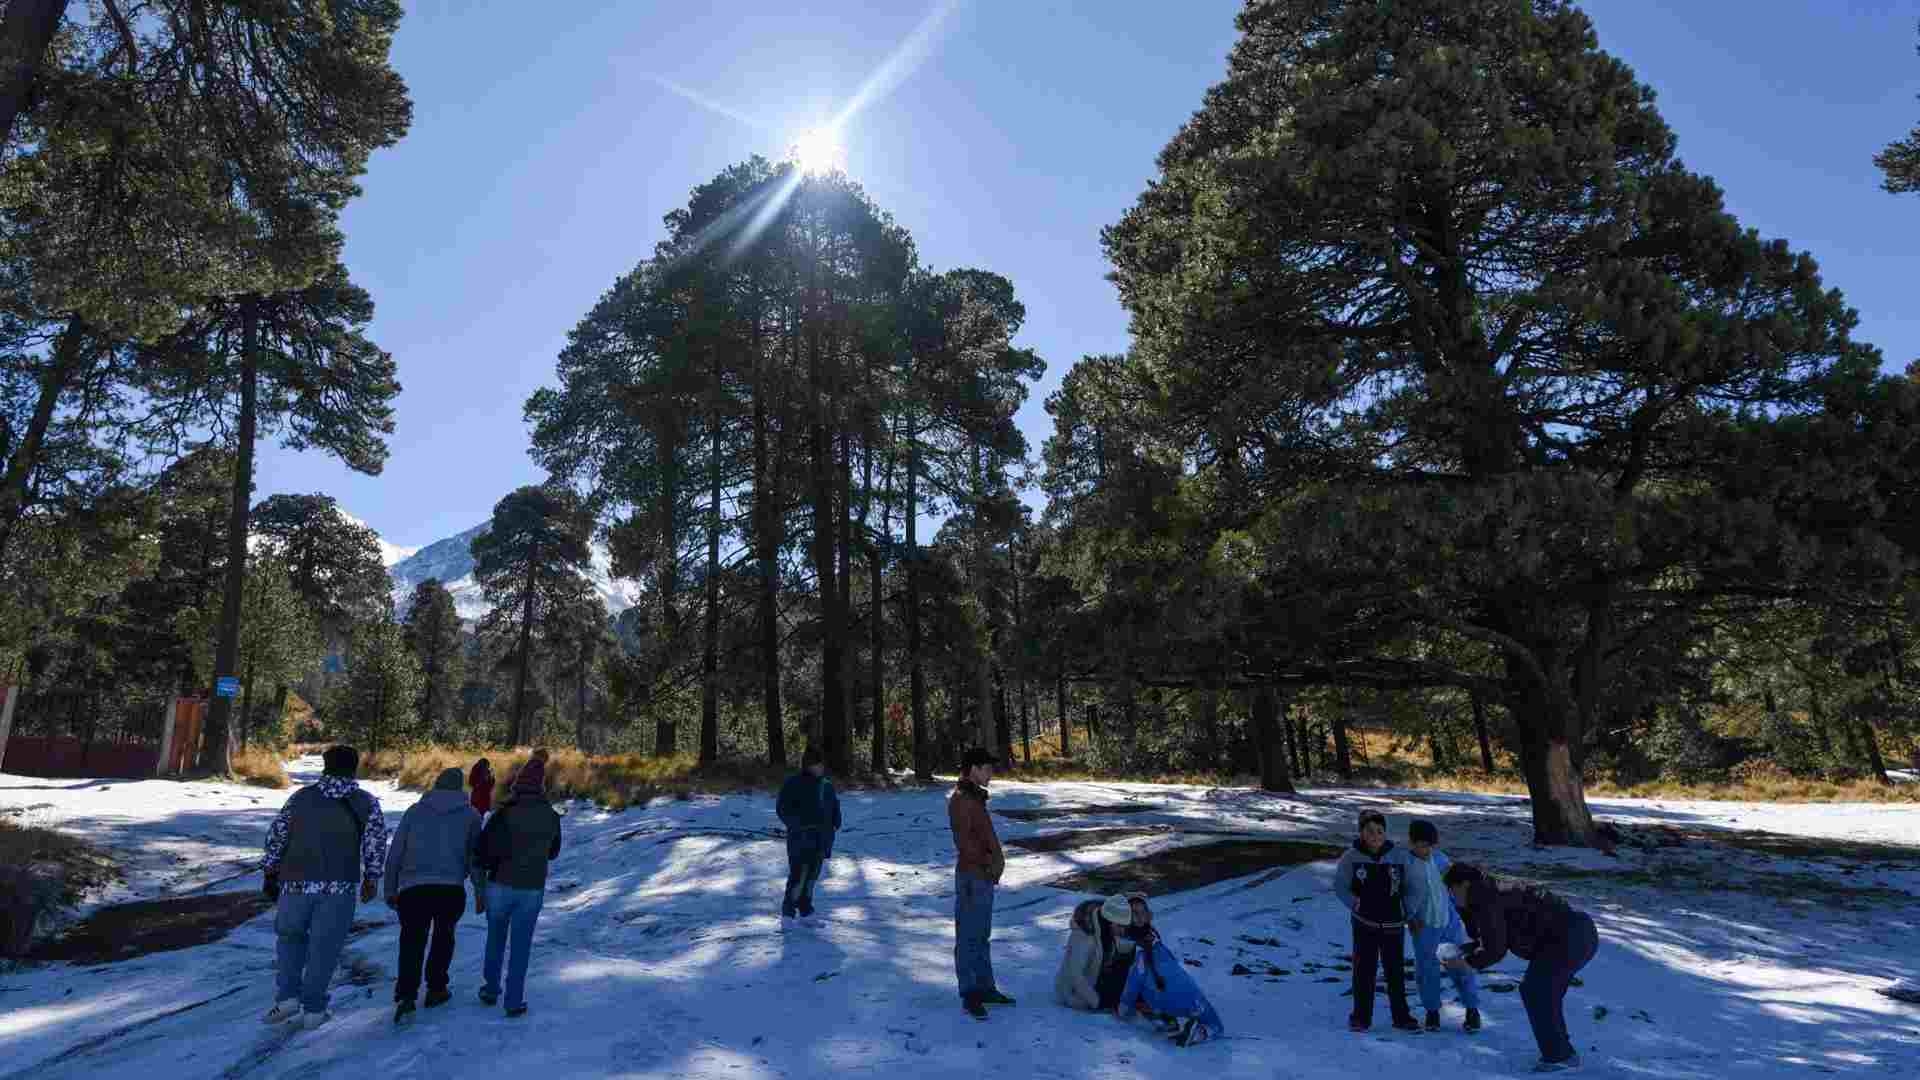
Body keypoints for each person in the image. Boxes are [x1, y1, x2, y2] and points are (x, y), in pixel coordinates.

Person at [259, 744, 387, 1030]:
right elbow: (375, 845)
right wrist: (371, 877)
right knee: (324, 947)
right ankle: (314, 1009)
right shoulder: (366, 802)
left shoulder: (300, 798)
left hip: (295, 883)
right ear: (353, 768)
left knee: (290, 939)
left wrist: (270, 871)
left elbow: (277, 837)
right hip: (338, 887)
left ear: (325, 767)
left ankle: (288, 997)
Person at [1443, 862, 1599, 1073]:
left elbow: (1496, 949)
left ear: (1463, 884)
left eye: (1452, 891)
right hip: (1573, 935)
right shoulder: (1488, 891)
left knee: (1535, 990)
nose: (1453, 897)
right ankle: (1560, 1050)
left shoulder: (1484, 895)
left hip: (1568, 937)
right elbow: (1494, 936)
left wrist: (1466, 964)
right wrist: (1465, 950)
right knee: (1542, 992)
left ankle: (1560, 1056)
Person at [383, 767, 484, 1025]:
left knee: (411, 941)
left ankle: (407, 995)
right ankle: (436, 988)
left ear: (436, 785)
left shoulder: (415, 812)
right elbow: (475, 859)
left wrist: (390, 888)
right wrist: (480, 890)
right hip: (450, 888)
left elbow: (395, 854)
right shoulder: (471, 816)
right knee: (444, 937)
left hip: (413, 888)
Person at [476, 755, 563, 1018]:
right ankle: (514, 1000)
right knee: (521, 945)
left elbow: (483, 849)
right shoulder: (551, 816)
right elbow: (553, 853)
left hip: (501, 883)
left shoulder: (503, 812)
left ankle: (491, 989)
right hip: (532, 887)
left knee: (496, 938)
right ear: (541, 786)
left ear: (517, 784)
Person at [1333, 809, 1417, 1033]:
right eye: (1370, 831)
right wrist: (1355, 903)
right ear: (1361, 833)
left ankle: (1402, 1017)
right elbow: (1340, 886)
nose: (1376, 836)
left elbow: (1412, 887)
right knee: (1364, 970)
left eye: (1380, 831)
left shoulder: (1398, 856)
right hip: (1364, 923)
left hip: (1393, 924)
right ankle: (1361, 1017)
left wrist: (1407, 909)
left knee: (1395, 971)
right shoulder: (1351, 857)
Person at [949, 746, 1012, 1020]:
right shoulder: (962, 799)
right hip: (972, 877)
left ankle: (985, 987)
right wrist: (989, 863)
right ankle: (970, 993)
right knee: (968, 937)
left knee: (981, 935)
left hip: (982, 877)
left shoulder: (975, 798)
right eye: (987, 768)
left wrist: (992, 865)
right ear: (973, 768)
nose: (991, 773)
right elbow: (965, 844)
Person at [1115, 895, 1224, 1047]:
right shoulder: (1145, 941)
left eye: (1142, 912)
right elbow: (1135, 978)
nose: (1140, 917)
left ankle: (1165, 1020)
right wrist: (1124, 1005)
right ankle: (1196, 1034)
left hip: (1160, 994)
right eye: (1135, 913)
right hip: (1177, 994)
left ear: (1148, 915)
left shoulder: (1135, 938)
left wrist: (1124, 1007)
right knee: (1216, 1027)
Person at [1403, 819, 1481, 1032]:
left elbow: (1456, 887)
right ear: (1411, 842)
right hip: (1424, 926)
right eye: (1421, 845)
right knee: (1427, 970)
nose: (1426, 849)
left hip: (1449, 923)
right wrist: (1409, 916)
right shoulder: (1405, 865)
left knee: (1460, 965)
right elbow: (1400, 896)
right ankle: (1432, 1012)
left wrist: (1464, 910)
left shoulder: (1441, 860)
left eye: (1430, 845)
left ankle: (1472, 1010)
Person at [775, 747, 842, 925]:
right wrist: (797, 824)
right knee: (798, 875)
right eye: (817, 764)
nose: (820, 768)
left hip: (821, 839)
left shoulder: (826, 785)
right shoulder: (793, 783)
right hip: (800, 839)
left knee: (812, 876)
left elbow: (834, 806)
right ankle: (788, 912)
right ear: (808, 765)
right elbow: (782, 808)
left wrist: (836, 821)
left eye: (821, 764)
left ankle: (806, 909)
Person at [1094, 892, 1144, 1010]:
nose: (1122, 930)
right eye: (1120, 926)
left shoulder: (1114, 932)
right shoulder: (1092, 936)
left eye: (1124, 926)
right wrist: (1097, 1002)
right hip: (1095, 987)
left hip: (1111, 978)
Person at [1055, 899, 1105, 1010]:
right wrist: (1096, 1001)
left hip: (1084, 989)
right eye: (1088, 916)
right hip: (1074, 995)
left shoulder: (1095, 934)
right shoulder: (1083, 939)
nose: (1090, 919)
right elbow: (1076, 975)